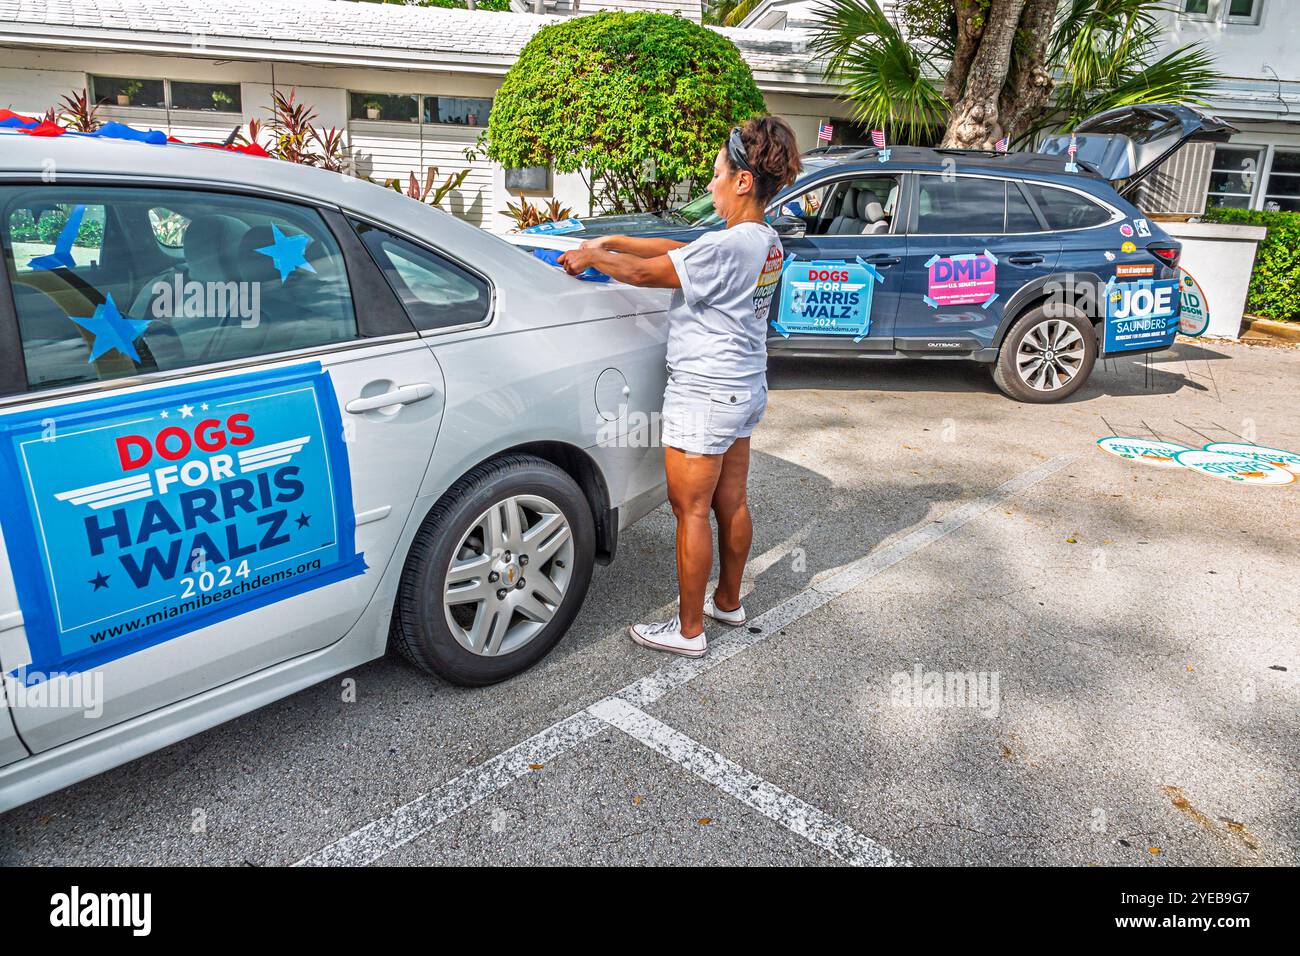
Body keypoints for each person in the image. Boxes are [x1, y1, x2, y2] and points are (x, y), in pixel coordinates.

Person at [558, 115, 801, 658]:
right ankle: (729, 602)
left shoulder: (733, 246)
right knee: (731, 503)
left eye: (717, 173)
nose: (710, 183)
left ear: (742, 181)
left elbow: (648, 275)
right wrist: (618, 238)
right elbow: (682, 250)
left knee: (690, 510)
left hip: (704, 393)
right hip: (742, 389)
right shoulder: (761, 240)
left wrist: (595, 256)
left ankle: (689, 630)